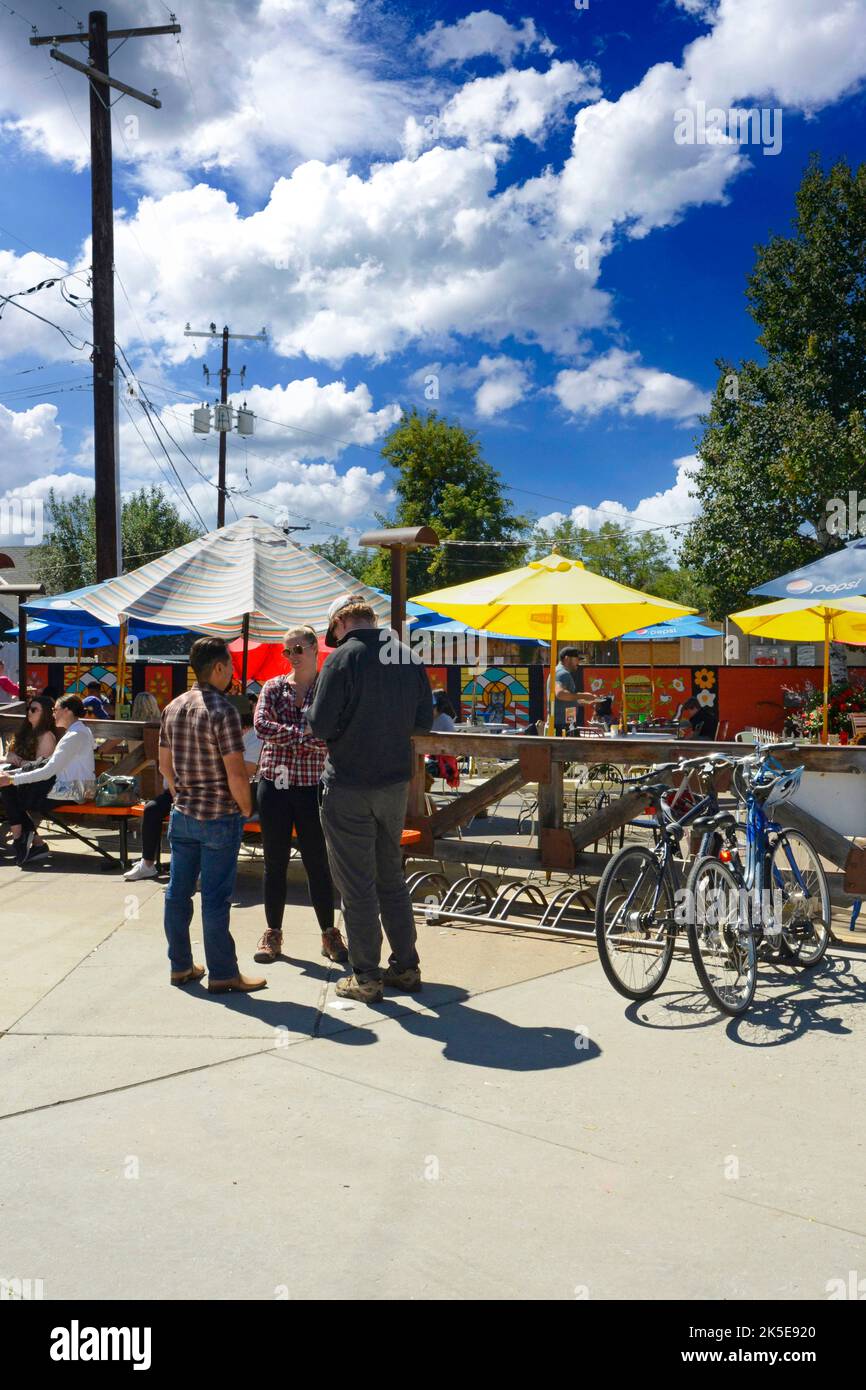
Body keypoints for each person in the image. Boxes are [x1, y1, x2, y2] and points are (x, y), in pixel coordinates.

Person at [308, 595, 434, 1003]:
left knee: (357, 886)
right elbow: (422, 721)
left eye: (333, 632)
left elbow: (321, 723)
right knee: (391, 879)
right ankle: (407, 966)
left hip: (348, 784)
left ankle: (366, 976)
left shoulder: (341, 659)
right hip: (394, 785)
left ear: (341, 621)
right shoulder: (406, 655)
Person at [159, 637, 264, 994]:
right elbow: (236, 771)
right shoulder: (223, 711)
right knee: (215, 898)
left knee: (177, 893)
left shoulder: (173, 706)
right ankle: (223, 973)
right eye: (230, 667)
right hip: (219, 814)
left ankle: (181, 965)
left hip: (183, 813)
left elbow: (164, 766)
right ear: (218, 668)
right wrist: (247, 807)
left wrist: (180, 792)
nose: (232, 673)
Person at [252, 626, 347, 966]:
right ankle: (272, 932)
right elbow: (261, 725)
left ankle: (328, 932)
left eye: (297, 649)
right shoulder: (274, 686)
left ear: (313, 649)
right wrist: (303, 735)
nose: (291, 656)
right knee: (273, 862)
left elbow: (330, 734)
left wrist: (293, 737)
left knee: (317, 863)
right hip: (274, 785)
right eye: (286, 651)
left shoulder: (328, 689)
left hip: (311, 785)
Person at [0, 694, 95, 866]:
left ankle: (24, 838)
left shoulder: (75, 735)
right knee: (10, 790)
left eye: (55, 710)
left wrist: (13, 780)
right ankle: (28, 840)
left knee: (11, 791)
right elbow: (46, 766)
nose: (53, 714)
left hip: (75, 790)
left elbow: (47, 770)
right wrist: (13, 777)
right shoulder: (77, 732)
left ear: (66, 711)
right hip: (68, 786)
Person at [0, 694, 57, 861]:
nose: (29, 712)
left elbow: (39, 767)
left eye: (34, 710)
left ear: (45, 713)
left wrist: (16, 760)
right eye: (28, 709)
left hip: (35, 784)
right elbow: (11, 757)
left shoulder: (46, 736)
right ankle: (36, 843)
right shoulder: (25, 731)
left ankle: (20, 835)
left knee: (6, 788)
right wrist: (10, 758)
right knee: (6, 787)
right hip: (17, 778)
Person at [553, 649, 604, 733]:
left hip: (564, 724)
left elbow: (565, 700)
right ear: (567, 659)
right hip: (562, 725)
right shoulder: (562, 673)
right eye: (577, 660)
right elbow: (560, 694)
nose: (578, 663)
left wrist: (585, 700)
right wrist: (583, 695)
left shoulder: (558, 672)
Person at [426, 690, 459, 791]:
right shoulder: (426, 720)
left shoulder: (445, 719)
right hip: (430, 755)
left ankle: (422, 796)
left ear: (437, 707)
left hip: (444, 760)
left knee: (419, 768)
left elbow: (453, 744)